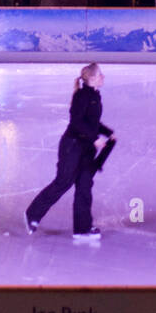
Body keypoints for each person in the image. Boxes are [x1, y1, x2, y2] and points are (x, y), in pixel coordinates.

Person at [25, 63, 114, 242]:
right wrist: (95, 139)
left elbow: (92, 122)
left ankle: (82, 229)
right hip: (72, 146)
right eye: (100, 74)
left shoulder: (95, 96)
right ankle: (32, 214)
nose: (103, 77)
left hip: (86, 147)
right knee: (63, 182)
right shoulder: (82, 96)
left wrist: (108, 133)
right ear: (92, 78)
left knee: (84, 185)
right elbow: (76, 122)